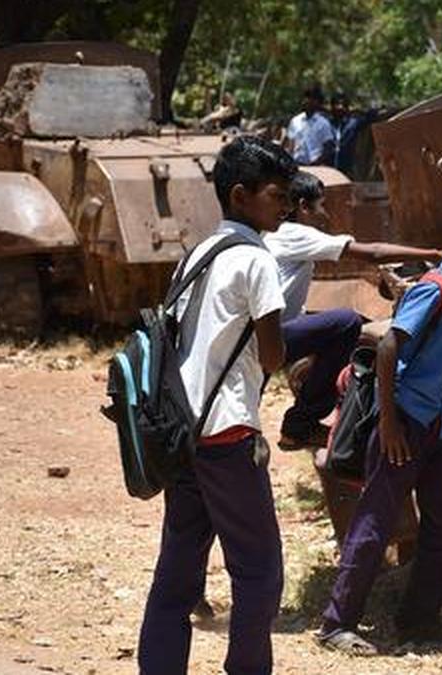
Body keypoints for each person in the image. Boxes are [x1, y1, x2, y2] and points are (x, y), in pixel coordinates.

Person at [315, 203, 442, 656]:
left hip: (437, 429)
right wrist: (388, 423)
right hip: (405, 426)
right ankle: (336, 623)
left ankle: (418, 620)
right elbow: (389, 346)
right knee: (375, 522)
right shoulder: (437, 287)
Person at [138, 136, 296, 674]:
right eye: (277, 195)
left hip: (182, 435)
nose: (286, 205)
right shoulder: (255, 258)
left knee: (178, 572)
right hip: (228, 434)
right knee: (259, 571)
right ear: (241, 195)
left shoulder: (198, 254)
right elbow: (273, 355)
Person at [264, 171, 442, 448]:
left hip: (267, 332)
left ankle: (303, 420)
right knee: (347, 323)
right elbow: (373, 252)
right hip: (268, 336)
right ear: (302, 206)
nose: (324, 215)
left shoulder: (274, 235)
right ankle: (301, 425)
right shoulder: (294, 234)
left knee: (340, 327)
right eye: (320, 205)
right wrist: (433, 254)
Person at [285, 84, 336, 166]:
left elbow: (329, 149)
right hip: (297, 165)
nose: (307, 101)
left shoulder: (323, 124)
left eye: (311, 98)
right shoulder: (295, 121)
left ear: (317, 102)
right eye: (306, 97)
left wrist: (316, 163)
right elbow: (290, 145)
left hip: (316, 167)